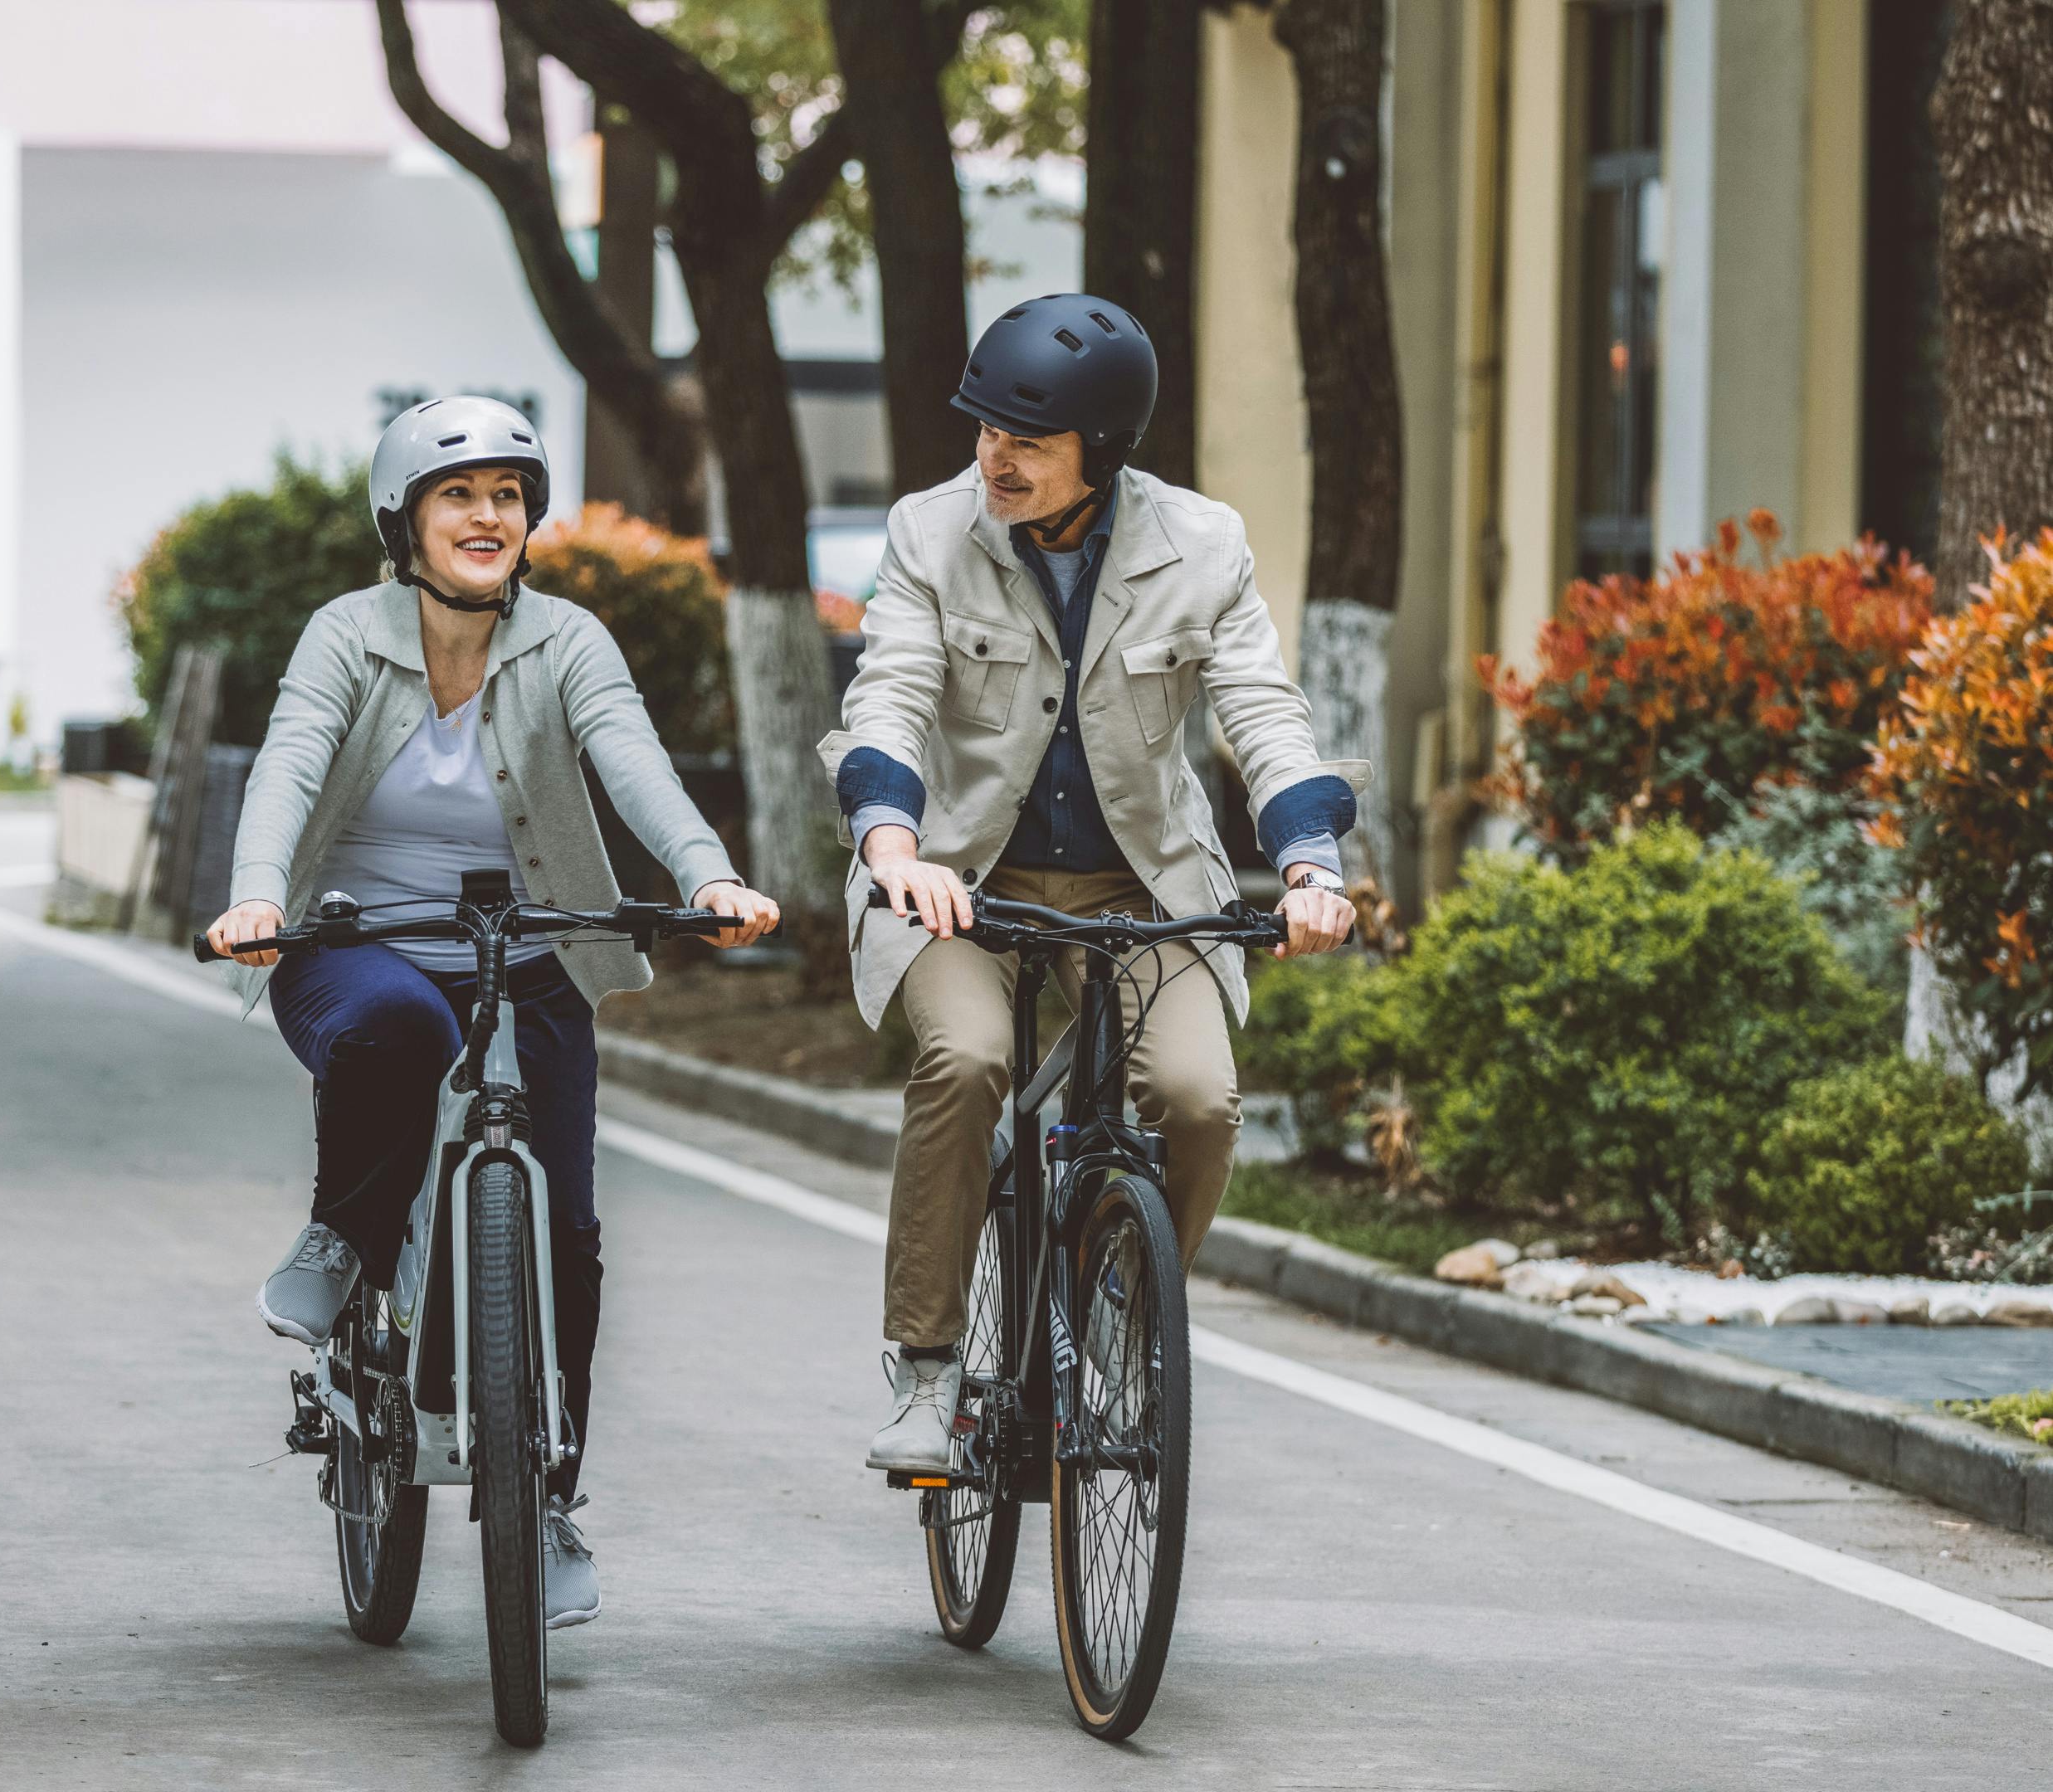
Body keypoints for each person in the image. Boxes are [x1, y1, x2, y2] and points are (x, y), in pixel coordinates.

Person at [204, 396, 779, 1624]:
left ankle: (548, 1496)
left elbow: (632, 759)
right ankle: (342, 1242)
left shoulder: (566, 640)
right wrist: (259, 896)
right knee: (398, 1031)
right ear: (404, 519)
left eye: (507, 496)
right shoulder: (343, 637)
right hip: (355, 939)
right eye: (458, 495)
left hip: (525, 950)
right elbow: (290, 759)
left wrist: (706, 874)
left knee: (565, 1230)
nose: (486, 516)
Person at [817, 295, 1364, 1473]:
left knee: (1197, 1097)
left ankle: (1117, 1313)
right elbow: (891, 694)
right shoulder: (930, 531)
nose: (993, 459)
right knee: (966, 1062)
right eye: (984, 432)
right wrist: (890, 843)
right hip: (961, 881)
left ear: (1101, 452)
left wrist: (1312, 863)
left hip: (1140, 886)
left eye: (1027, 441)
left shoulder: (1201, 544)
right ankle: (925, 1370)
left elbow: (1261, 716)